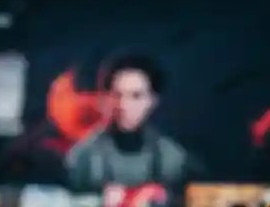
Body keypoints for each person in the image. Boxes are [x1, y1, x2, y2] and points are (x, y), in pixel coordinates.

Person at [63, 54, 193, 190]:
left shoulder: (172, 157)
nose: (124, 105)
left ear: (152, 101)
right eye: (117, 95)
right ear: (106, 98)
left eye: (136, 96)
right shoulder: (82, 157)